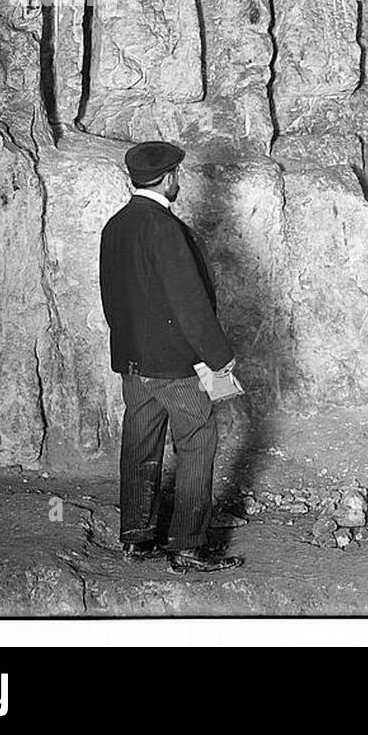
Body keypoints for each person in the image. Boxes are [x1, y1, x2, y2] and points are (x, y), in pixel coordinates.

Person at [98, 141, 244, 573]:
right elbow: (190, 303)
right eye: (176, 174)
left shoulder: (115, 226)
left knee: (139, 444)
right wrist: (220, 357)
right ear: (168, 178)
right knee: (198, 443)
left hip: (132, 363)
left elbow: (112, 300)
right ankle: (187, 545)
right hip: (173, 368)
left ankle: (137, 537)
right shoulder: (165, 229)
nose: (178, 181)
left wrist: (129, 348)